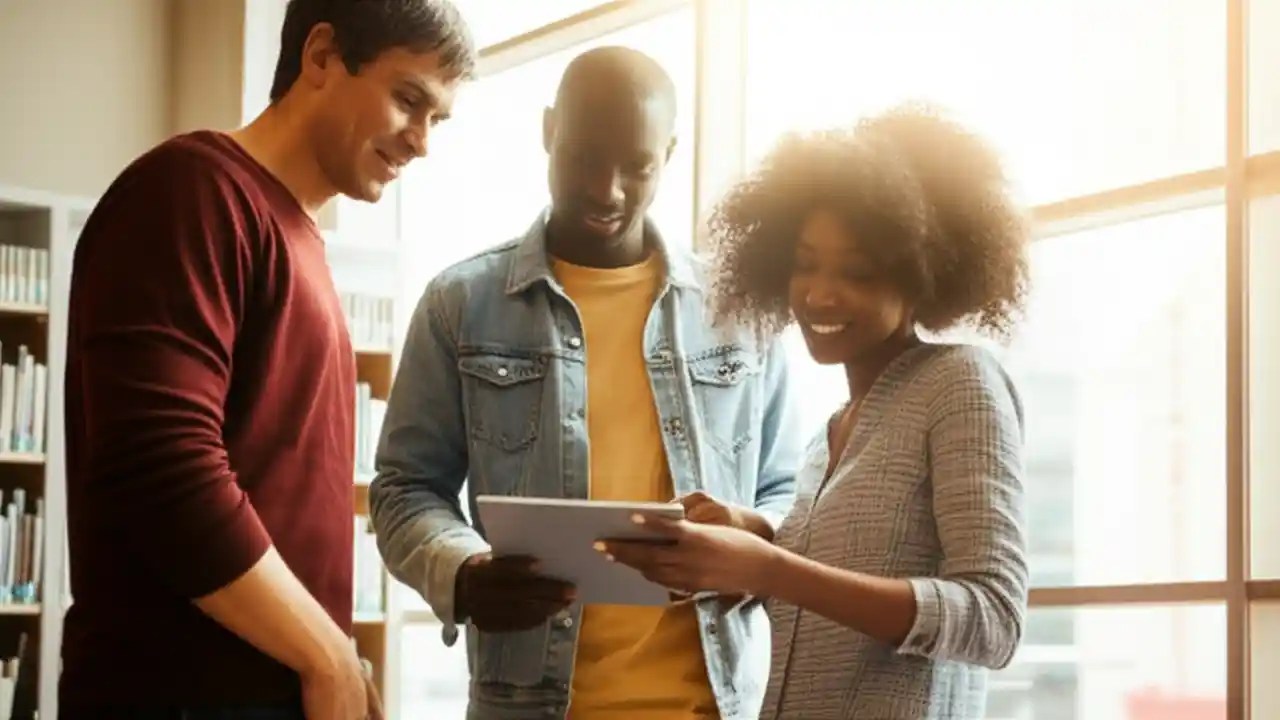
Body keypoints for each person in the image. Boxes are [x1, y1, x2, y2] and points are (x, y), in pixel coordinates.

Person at [60, 2, 475, 718]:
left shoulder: (302, 240)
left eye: (439, 120)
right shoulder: (193, 192)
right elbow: (165, 469)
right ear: (320, 57)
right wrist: (327, 655)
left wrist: (336, 661)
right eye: (409, 100)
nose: (423, 143)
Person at [369, 46, 800, 720]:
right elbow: (403, 488)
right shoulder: (461, 304)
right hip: (530, 705)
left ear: (671, 153)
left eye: (637, 167)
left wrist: (752, 529)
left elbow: (791, 488)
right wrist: (463, 570)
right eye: (585, 158)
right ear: (548, 132)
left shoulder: (740, 313)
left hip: (714, 705)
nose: (609, 190)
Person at [602, 105, 1032, 719]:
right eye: (805, 264)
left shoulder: (959, 381)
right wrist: (753, 535)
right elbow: (832, 594)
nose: (819, 294)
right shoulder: (830, 433)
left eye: (856, 271)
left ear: (922, 274)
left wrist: (773, 568)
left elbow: (993, 619)